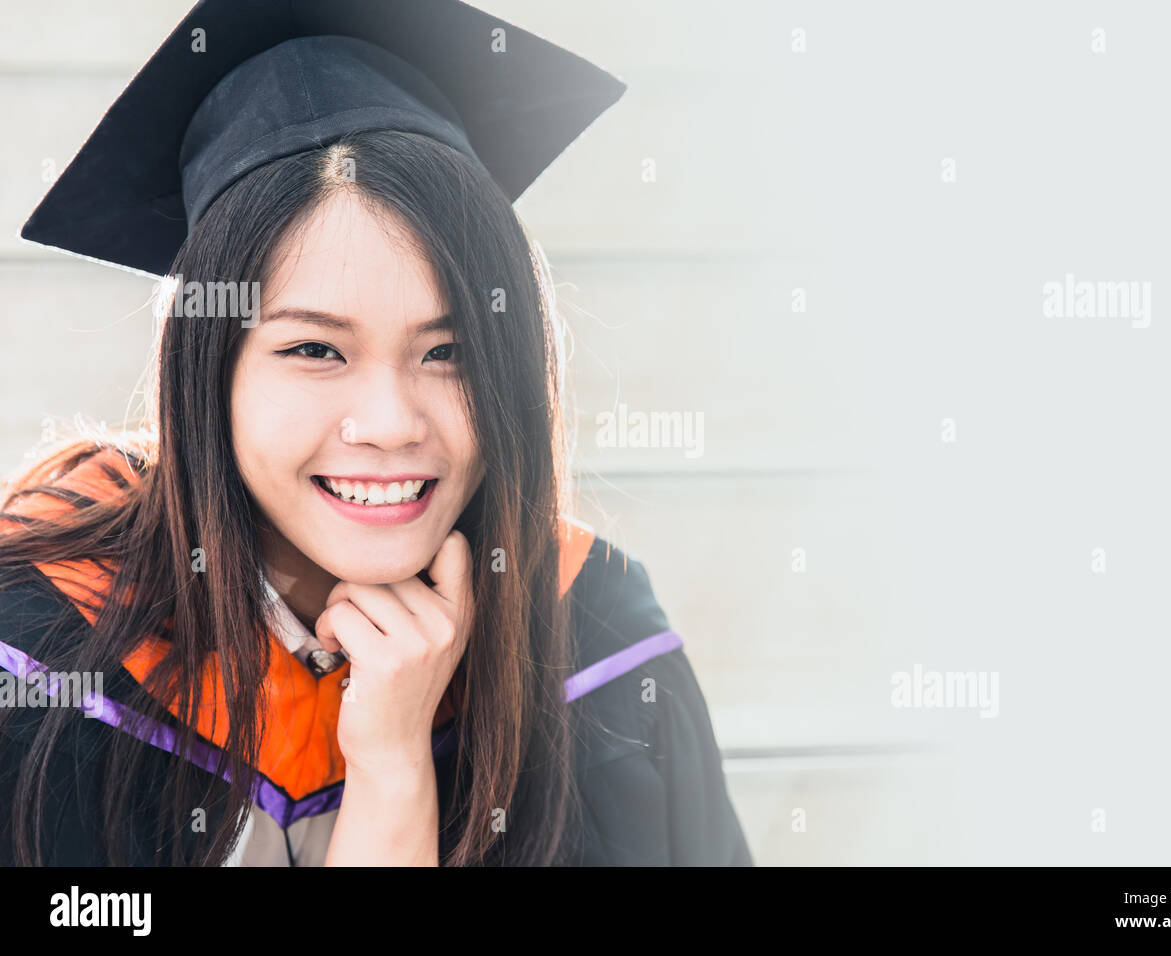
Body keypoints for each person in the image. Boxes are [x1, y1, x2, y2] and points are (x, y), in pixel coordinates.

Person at [0, 0, 752, 867]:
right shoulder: (51, 659)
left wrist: (395, 753)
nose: (392, 424)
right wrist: (391, 776)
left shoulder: (597, 641)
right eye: (315, 348)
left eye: (450, 351)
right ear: (207, 372)